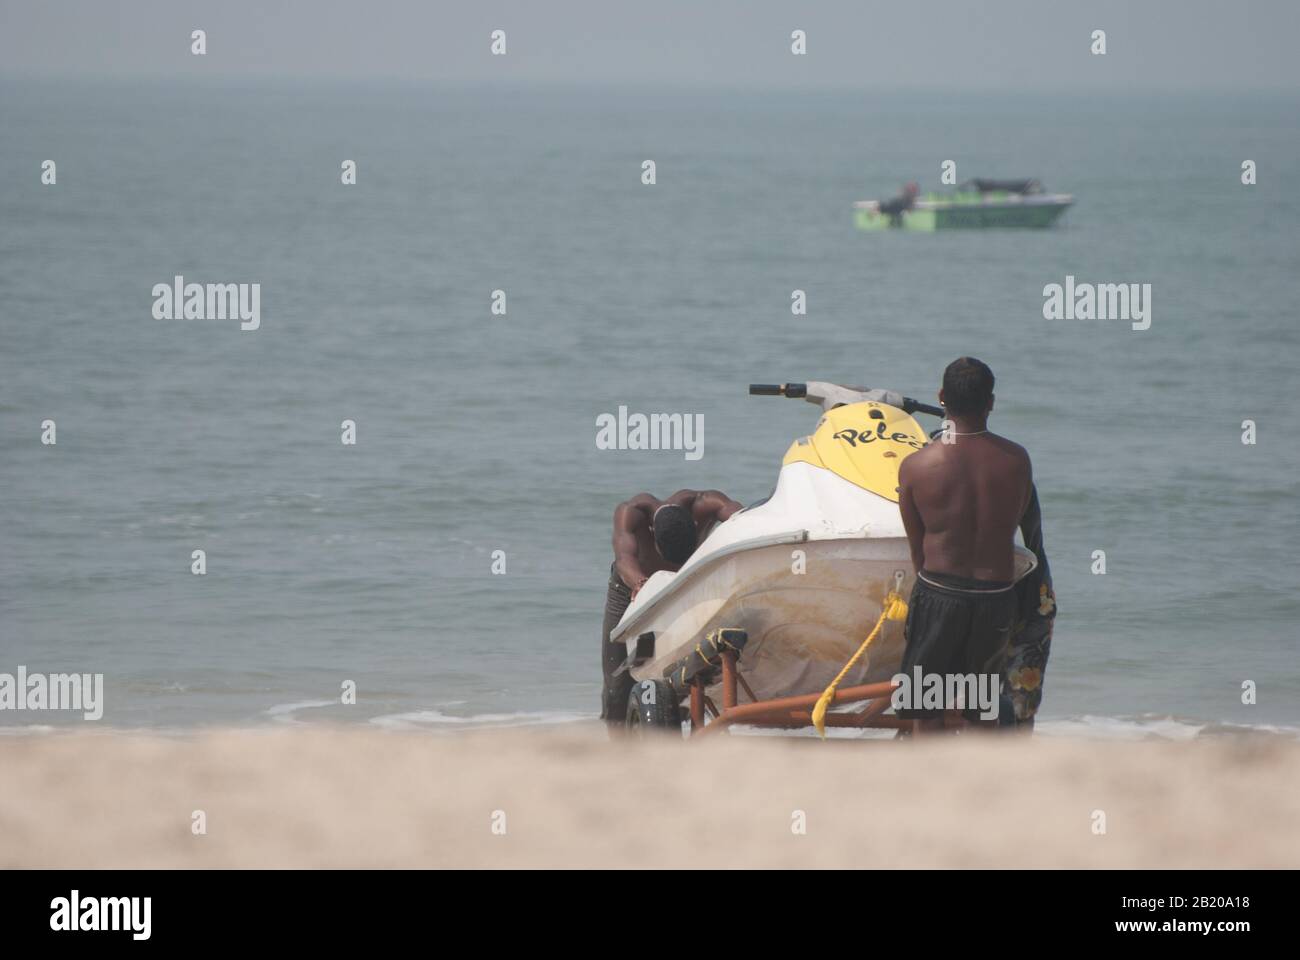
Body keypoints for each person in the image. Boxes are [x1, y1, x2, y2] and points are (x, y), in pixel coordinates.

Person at [895, 357, 1031, 731]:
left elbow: (917, 547)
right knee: (981, 705)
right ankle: (978, 782)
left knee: (925, 708)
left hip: (939, 591)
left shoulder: (915, 466)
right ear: (991, 402)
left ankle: (931, 782)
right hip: (996, 596)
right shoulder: (1017, 460)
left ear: (941, 397)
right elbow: (1015, 522)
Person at [600, 489, 743, 728]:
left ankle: (681, 717)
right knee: (617, 679)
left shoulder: (708, 505)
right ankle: (616, 740)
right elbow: (625, 558)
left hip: (683, 584)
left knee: (689, 662)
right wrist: (639, 584)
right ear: (653, 533)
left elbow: (744, 518)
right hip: (629, 588)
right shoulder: (630, 513)